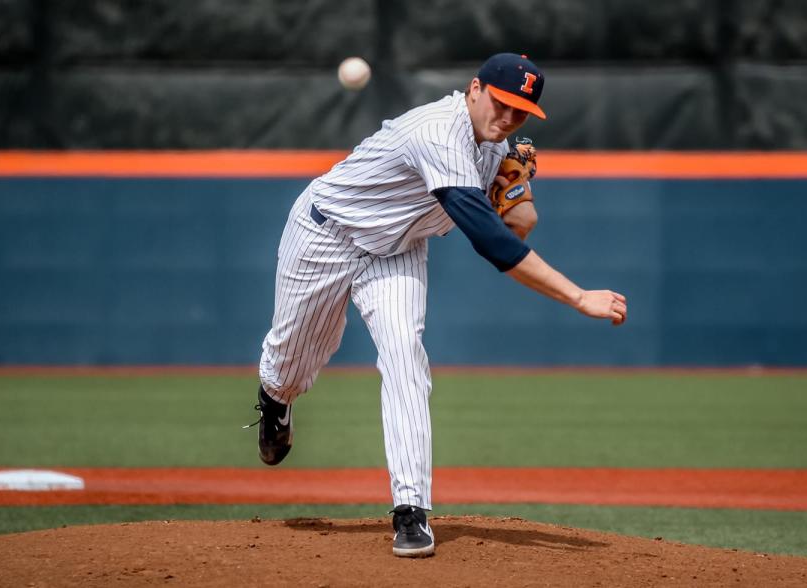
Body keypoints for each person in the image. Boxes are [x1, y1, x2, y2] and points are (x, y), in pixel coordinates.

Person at [249, 53, 627, 558]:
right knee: (293, 362)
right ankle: (276, 398)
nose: (509, 119)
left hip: (399, 250)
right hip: (326, 234)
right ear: (474, 89)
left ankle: (411, 511)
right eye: (502, 103)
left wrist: (518, 191)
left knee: (406, 358)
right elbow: (494, 244)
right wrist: (578, 296)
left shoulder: (496, 144)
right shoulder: (437, 131)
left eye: (521, 112)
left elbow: (517, 225)